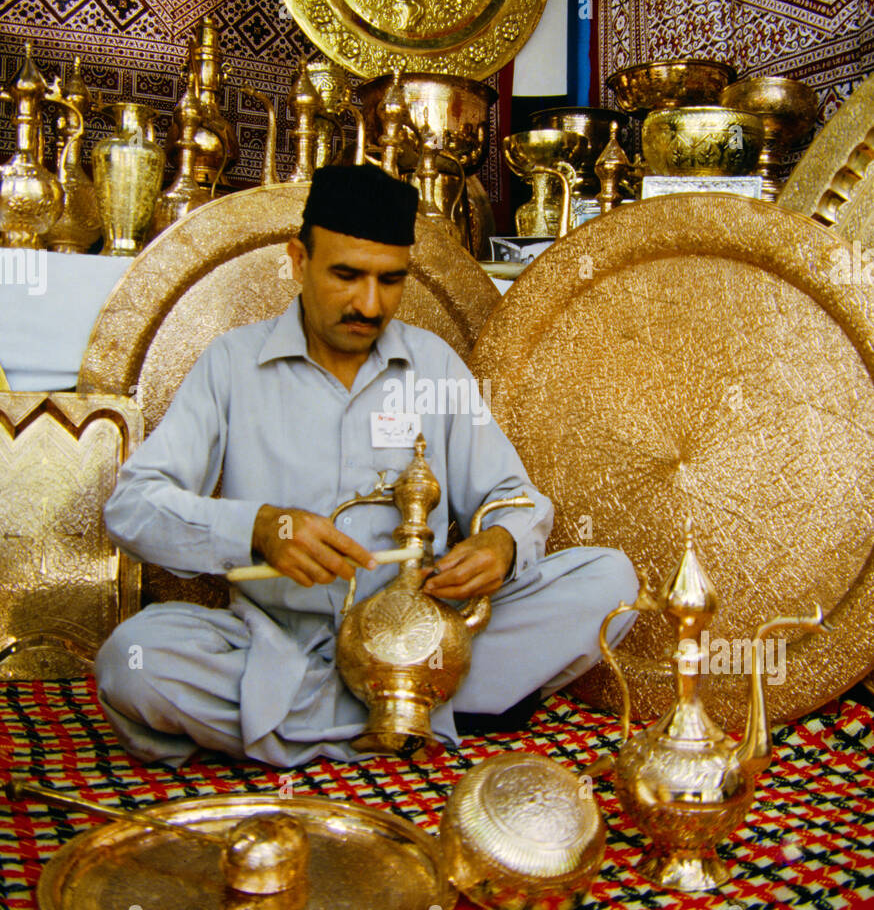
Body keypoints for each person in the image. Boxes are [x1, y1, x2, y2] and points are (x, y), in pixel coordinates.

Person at [96, 163, 638, 768]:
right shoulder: (231, 364)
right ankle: (413, 717)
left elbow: (512, 496)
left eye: (390, 280)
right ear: (298, 260)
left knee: (610, 581)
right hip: (277, 644)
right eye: (347, 275)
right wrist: (259, 528)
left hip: (422, 641)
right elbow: (132, 506)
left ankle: (297, 722)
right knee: (134, 659)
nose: (369, 303)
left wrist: (500, 544)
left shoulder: (432, 366)